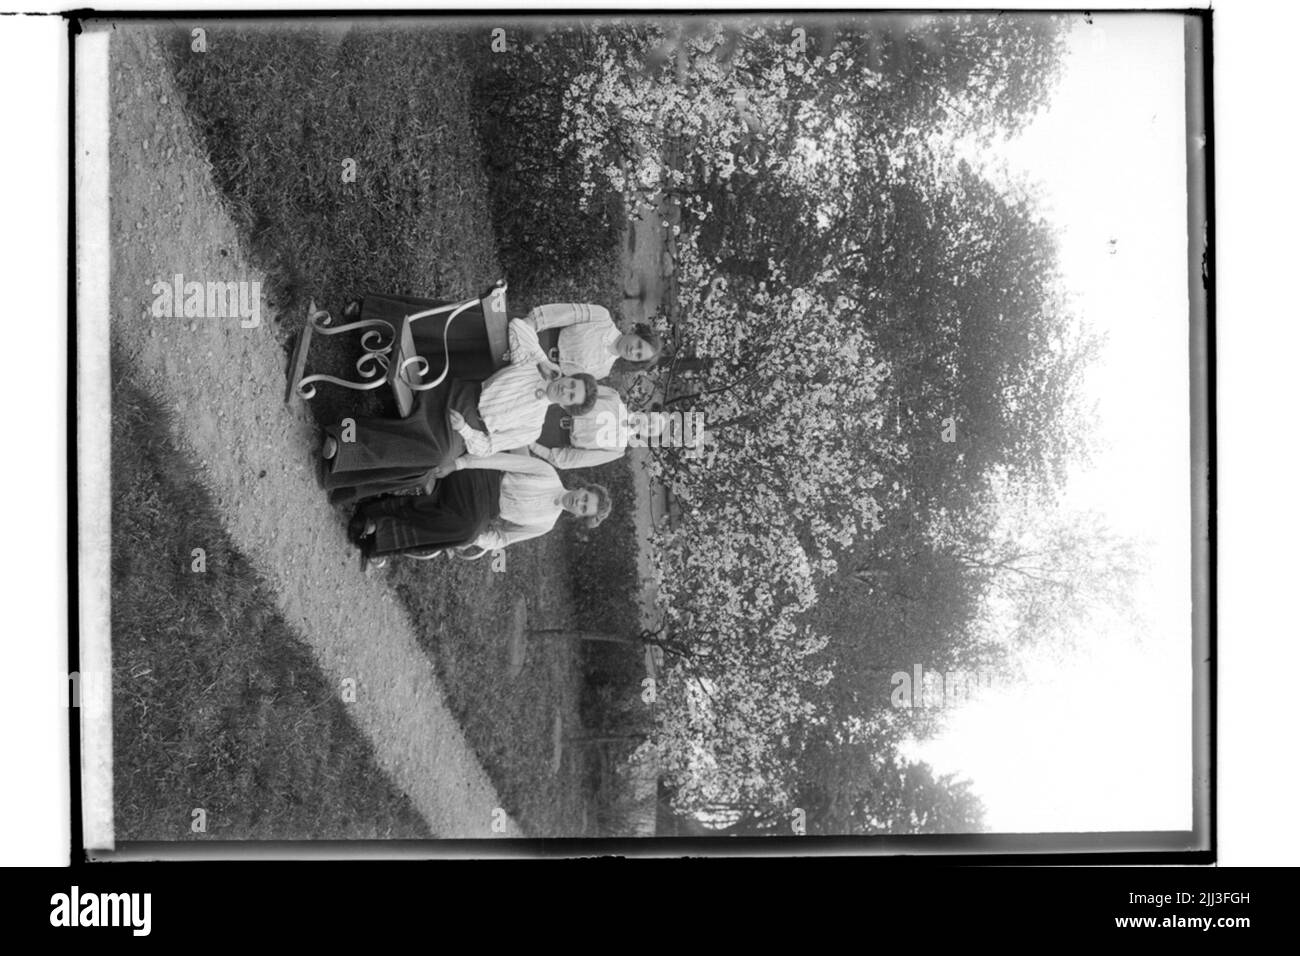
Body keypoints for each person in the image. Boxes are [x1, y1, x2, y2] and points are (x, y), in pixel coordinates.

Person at [321, 318, 597, 504]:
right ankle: (343, 449)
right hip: (458, 395)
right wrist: (544, 361)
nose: (566, 390)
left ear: (566, 407)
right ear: (567, 377)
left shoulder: (533, 427)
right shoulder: (529, 365)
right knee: (433, 454)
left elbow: (488, 446)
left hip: (466, 430)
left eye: (571, 396)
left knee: (429, 464)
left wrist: (464, 429)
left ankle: (344, 473)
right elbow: (517, 326)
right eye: (571, 384)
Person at [349, 451, 613, 561]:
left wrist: (478, 540)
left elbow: (503, 538)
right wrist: (460, 464)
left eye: (583, 508)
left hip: (481, 511)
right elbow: (499, 460)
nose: (579, 502)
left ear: (579, 516)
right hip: (479, 478)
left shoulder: (545, 523)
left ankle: (378, 521)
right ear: (582, 488)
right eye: (585, 497)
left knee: (465, 532)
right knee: (463, 528)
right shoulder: (546, 473)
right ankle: (378, 527)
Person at [525, 303, 663, 379]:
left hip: (534, 372)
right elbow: (562, 313)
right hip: (536, 335)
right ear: (635, 333)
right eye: (638, 344)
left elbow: (565, 383)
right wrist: (530, 325)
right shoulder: (602, 316)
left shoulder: (603, 371)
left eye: (638, 355)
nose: (633, 350)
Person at [528, 383, 630, 470]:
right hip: (550, 407)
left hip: (551, 436)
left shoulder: (617, 450)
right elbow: (578, 387)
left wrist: (532, 445)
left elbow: (574, 459)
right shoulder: (614, 398)